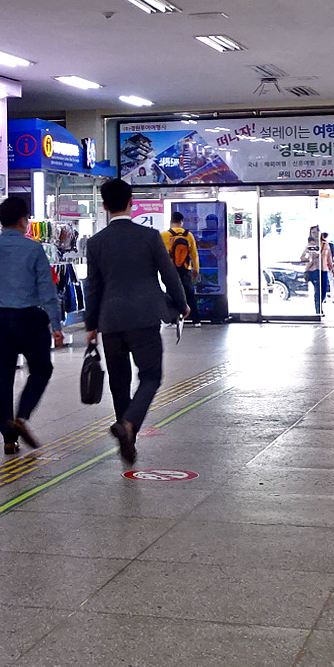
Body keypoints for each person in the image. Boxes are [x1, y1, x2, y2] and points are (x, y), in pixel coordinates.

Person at [85, 179, 189, 464]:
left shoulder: (95, 243)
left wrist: (90, 326)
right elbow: (169, 275)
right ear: (132, 202)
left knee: (119, 381)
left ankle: (126, 434)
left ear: (104, 206)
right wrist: (182, 304)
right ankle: (129, 425)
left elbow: (92, 287)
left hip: (111, 320)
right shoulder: (150, 236)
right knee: (151, 376)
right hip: (144, 318)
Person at [0, 196, 65, 455]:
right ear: (22, 221)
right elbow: (46, 290)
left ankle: (9, 439)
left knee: (2, 380)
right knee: (41, 370)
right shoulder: (33, 249)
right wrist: (56, 324)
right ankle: (22, 415)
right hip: (29, 319)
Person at [162, 212, 200, 325]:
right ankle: (196, 320)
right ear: (181, 222)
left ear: (171, 222)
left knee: (171, 293)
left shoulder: (164, 235)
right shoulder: (188, 235)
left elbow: (161, 254)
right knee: (189, 293)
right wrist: (196, 269)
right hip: (185, 268)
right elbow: (194, 254)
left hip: (171, 269)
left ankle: (174, 320)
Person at [301, 226, 334, 316]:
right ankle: (318, 309)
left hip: (324, 269)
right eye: (313, 233)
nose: (315, 235)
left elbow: (329, 258)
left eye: (317, 232)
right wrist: (308, 260)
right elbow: (302, 257)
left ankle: (320, 304)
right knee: (318, 289)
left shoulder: (326, 244)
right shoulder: (310, 245)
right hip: (313, 269)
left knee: (323, 289)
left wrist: (332, 269)